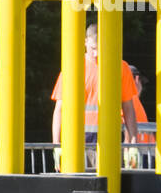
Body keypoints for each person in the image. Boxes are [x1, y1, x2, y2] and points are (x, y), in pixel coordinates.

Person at [51, 22, 138, 169]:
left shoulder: (121, 68)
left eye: (100, 49)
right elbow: (60, 109)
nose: (97, 54)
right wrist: (57, 145)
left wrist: (133, 144)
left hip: (109, 139)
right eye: (93, 49)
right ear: (85, 42)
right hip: (76, 139)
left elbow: (128, 107)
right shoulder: (73, 67)